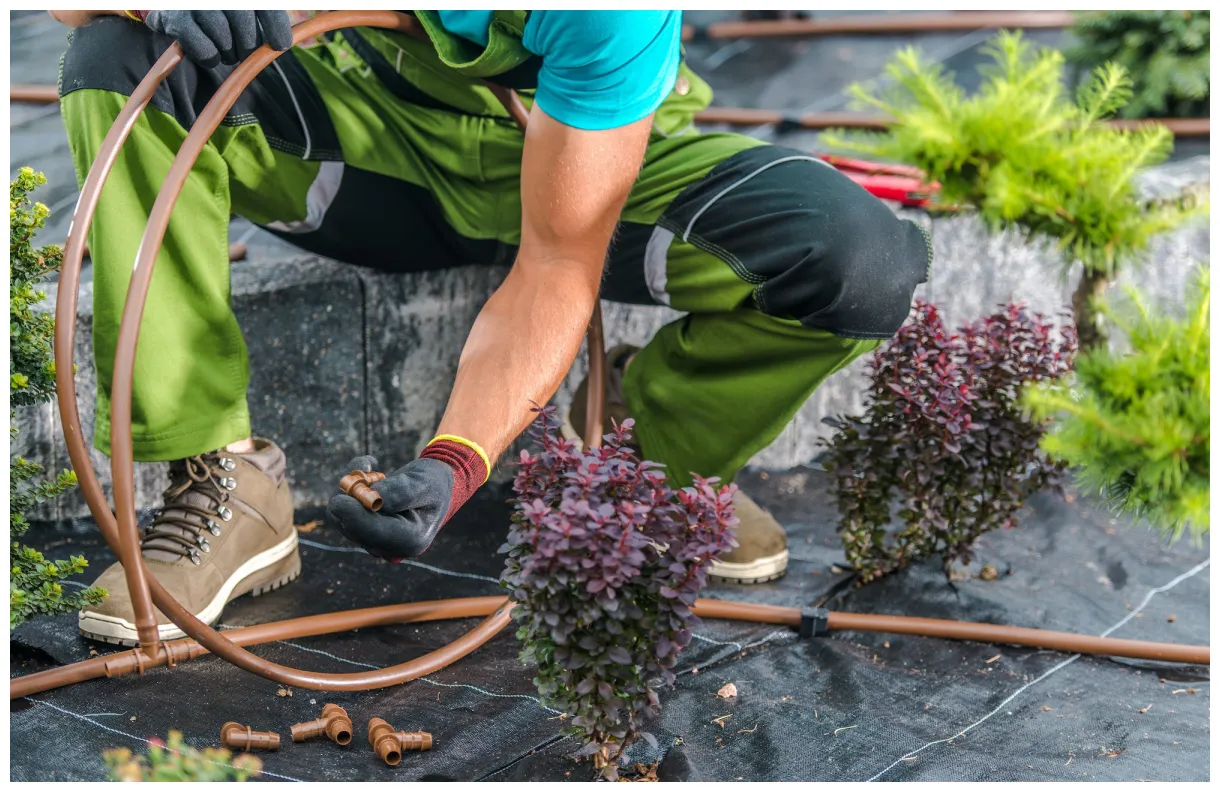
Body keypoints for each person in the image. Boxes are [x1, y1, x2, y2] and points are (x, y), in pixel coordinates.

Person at [50, 10, 930, 645]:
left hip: (583, 173)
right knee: (119, 55)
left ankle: (643, 457)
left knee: (857, 258)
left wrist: (454, 462)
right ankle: (225, 479)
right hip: (364, 160)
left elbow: (556, 264)